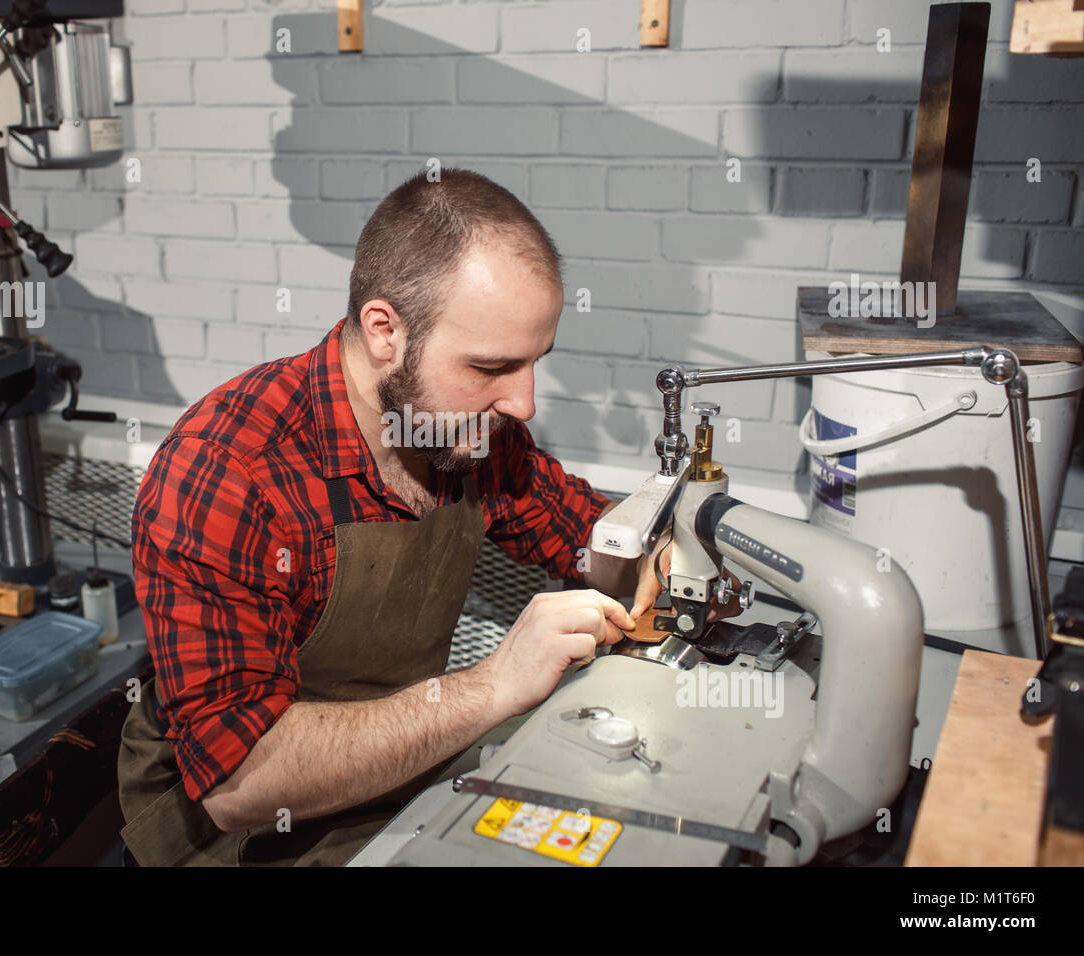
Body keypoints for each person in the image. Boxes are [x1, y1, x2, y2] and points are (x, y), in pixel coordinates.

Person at [118, 168, 739, 866]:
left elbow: (582, 533)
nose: (523, 403)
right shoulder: (229, 470)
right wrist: (495, 684)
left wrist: (659, 558)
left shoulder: (462, 435)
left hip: (396, 781)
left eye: (535, 362)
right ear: (386, 332)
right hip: (243, 833)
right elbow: (240, 783)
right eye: (491, 366)